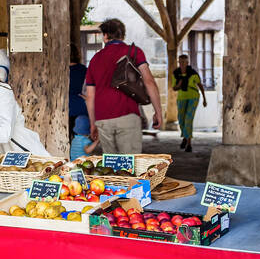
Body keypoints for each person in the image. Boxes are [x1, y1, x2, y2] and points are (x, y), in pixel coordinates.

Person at [84, 18, 163, 155]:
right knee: (129, 165)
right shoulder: (134, 52)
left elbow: (90, 96)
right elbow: (149, 82)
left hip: (103, 119)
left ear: (105, 36)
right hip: (127, 116)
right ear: (123, 35)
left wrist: (93, 123)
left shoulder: (95, 59)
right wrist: (158, 112)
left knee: (111, 166)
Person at [173, 52, 207, 153]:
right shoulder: (176, 73)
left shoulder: (193, 73)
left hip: (193, 97)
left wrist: (204, 99)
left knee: (188, 119)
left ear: (187, 62)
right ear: (179, 62)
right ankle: (185, 137)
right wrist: (178, 85)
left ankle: (189, 144)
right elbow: (174, 88)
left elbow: (200, 85)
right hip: (181, 98)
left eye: (184, 62)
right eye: (180, 62)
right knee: (181, 119)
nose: (182, 63)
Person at [69, 43, 93, 160]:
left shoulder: (60, 71)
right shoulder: (84, 70)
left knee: (69, 136)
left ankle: (71, 156)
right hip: (81, 106)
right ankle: (82, 155)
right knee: (82, 135)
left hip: (65, 107)